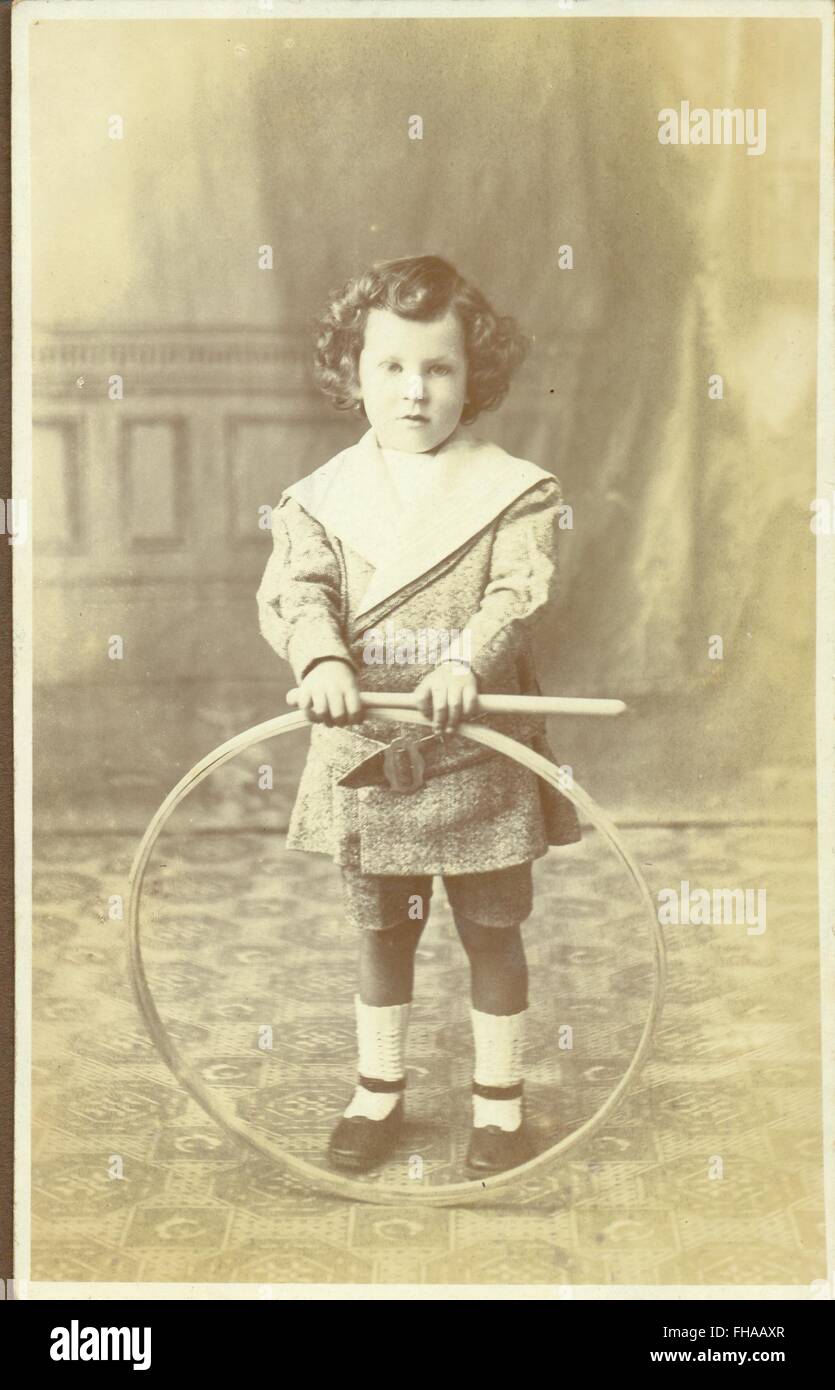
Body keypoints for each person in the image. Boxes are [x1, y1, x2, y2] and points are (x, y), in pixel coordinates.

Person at [256, 254, 580, 1176]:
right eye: (390, 367)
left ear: (471, 376)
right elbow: (301, 591)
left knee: (491, 930)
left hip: (476, 757)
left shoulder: (517, 490)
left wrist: (463, 659)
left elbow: (519, 591)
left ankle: (500, 1107)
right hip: (370, 755)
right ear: (351, 374)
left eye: (438, 369)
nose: (413, 392)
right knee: (383, 929)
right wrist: (319, 658)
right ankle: (378, 1090)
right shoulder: (318, 500)